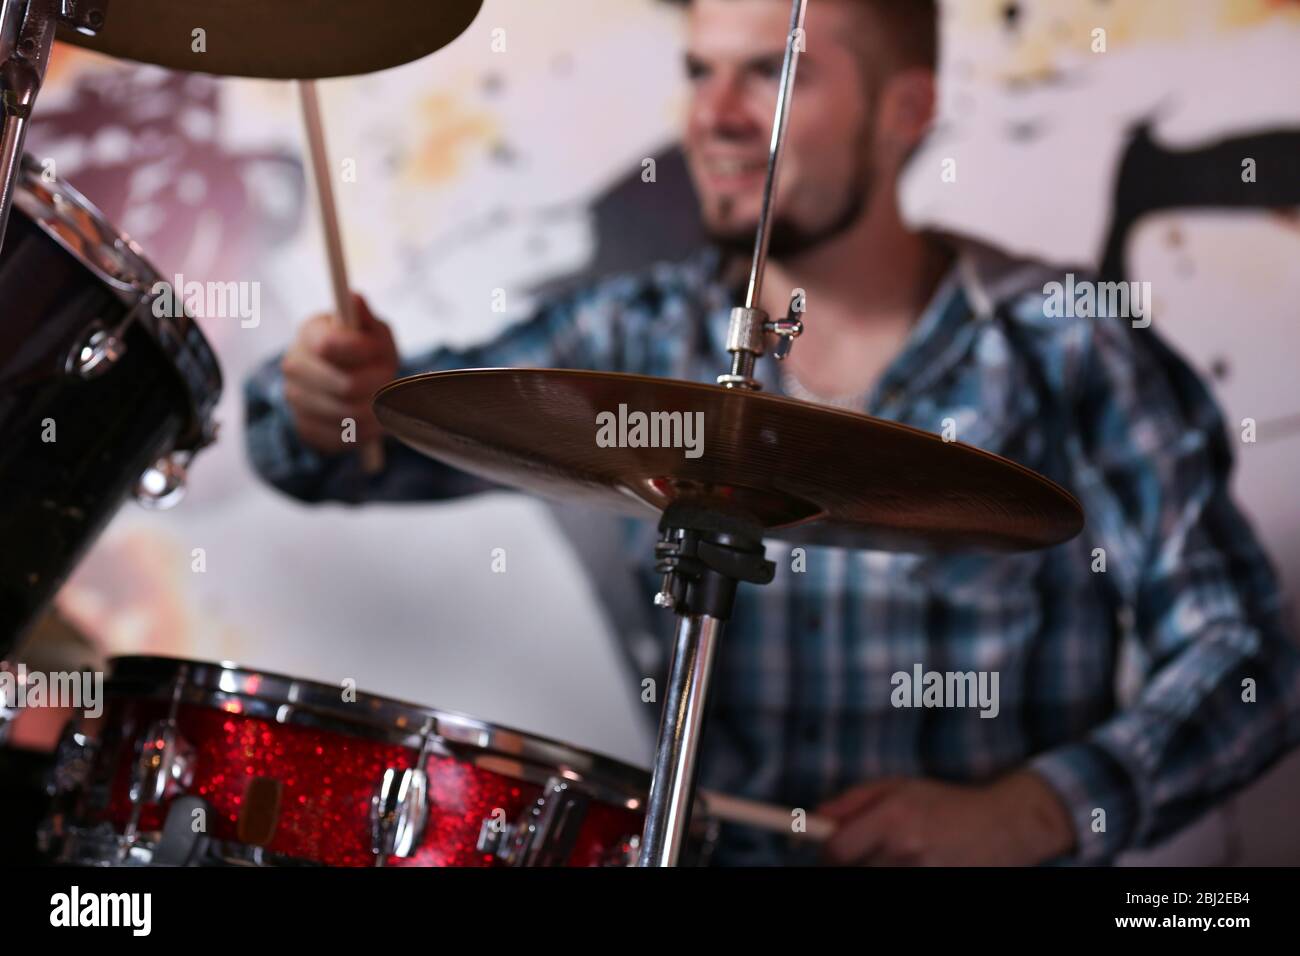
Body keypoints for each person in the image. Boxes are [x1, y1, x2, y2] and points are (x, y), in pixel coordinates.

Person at [245, 0, 1300, 865]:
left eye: (775, 74)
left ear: (906, 110)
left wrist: (1033, 809)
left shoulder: (1065, 349)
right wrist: (325, 399)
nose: (718, 114)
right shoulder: (634, 333)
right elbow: (363, 443)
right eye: (701, 72)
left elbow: (1245, 656)